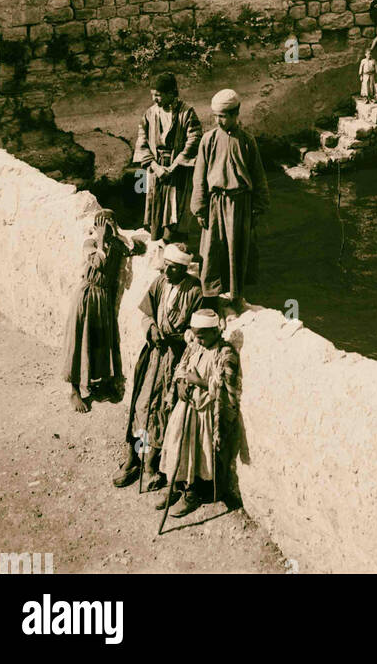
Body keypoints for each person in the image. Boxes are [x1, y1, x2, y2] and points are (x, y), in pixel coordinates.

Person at [113, 244, 202, 491]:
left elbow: (197, 332)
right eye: (165, 266)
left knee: (162, 411)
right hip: (154, 354)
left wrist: (181, 337)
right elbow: (147, 315)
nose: (166, 271)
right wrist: (151, 328)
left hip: (175, 358)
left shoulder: (195, 291)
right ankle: (134, 458)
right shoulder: (160, 283)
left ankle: (152, 465)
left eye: (172, 268)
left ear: (183, 268)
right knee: (142, 406)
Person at [155, 308, 240, 518]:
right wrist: (182, 382)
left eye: (202, 336)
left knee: (194, 453)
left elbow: (227, 389)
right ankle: (174, 486)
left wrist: (199, 382)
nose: (198, 340)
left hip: (204, 414)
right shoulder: (194, 346)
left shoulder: (225, 353)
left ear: (214, 332)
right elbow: (182, 367)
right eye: (195, 335)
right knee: (176, 445)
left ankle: (192, 494)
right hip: (185, 408)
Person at [191, 89, 268, 302]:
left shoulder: (247, 141)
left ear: (236, 114)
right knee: (212, 250)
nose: (218, 121)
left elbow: (258, 175)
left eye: (223, 116)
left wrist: (258, 207)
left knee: (237, 251)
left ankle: (236, 297)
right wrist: (200, 208)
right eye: (216, 116)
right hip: (215, 203)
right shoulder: (208, 140)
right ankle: (211, 297)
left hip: (240, 203)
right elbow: (199, 176)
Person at [62, 210, 142, 413]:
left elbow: (134, 248)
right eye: (103, 225)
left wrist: (118, 235)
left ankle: (97, 382)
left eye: (109, 224)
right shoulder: (89, 245)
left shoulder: (116, 245)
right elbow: (99, 263)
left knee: (99, 341)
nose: (106, 229)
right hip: (88, 296)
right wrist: (99, 238)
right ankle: (74, 389)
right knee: (81, 340)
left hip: (104, 298)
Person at [133, 73, 202, 243]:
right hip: (155, 171)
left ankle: (178, 256)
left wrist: (173, 167)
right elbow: (141, 142)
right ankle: (157, 250)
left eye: (158, 95)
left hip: (179, 172)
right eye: (153, 95)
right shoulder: (149, 114)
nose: (155, 99)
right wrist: (156, 167)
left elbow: (194, 139)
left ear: (171, 93)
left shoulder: (187, 113)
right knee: (154, 212)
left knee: (176, 215)